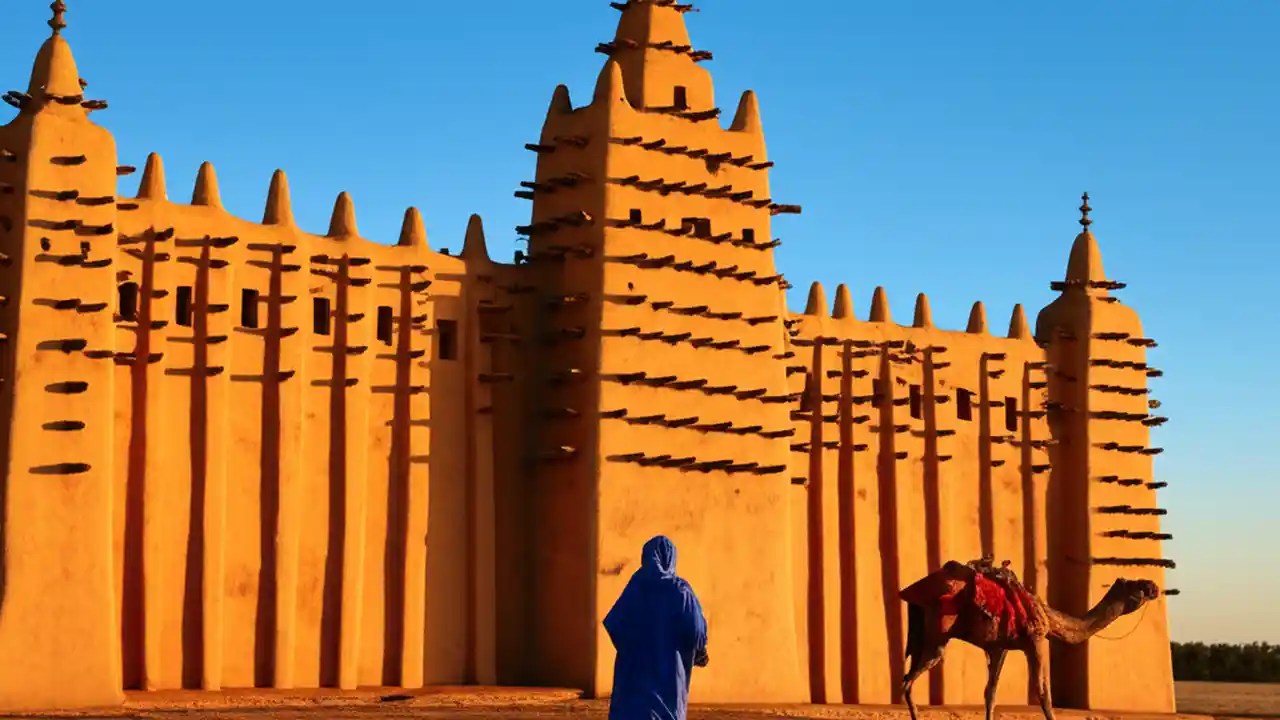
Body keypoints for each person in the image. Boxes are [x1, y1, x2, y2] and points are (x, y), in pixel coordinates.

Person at [603, 535, 709, 720]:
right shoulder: (680, 591)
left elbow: (614, 625)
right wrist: (697, 653)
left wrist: (634, 649)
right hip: (668, 687)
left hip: (630, 694)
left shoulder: (635, 587)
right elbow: (696, 633)